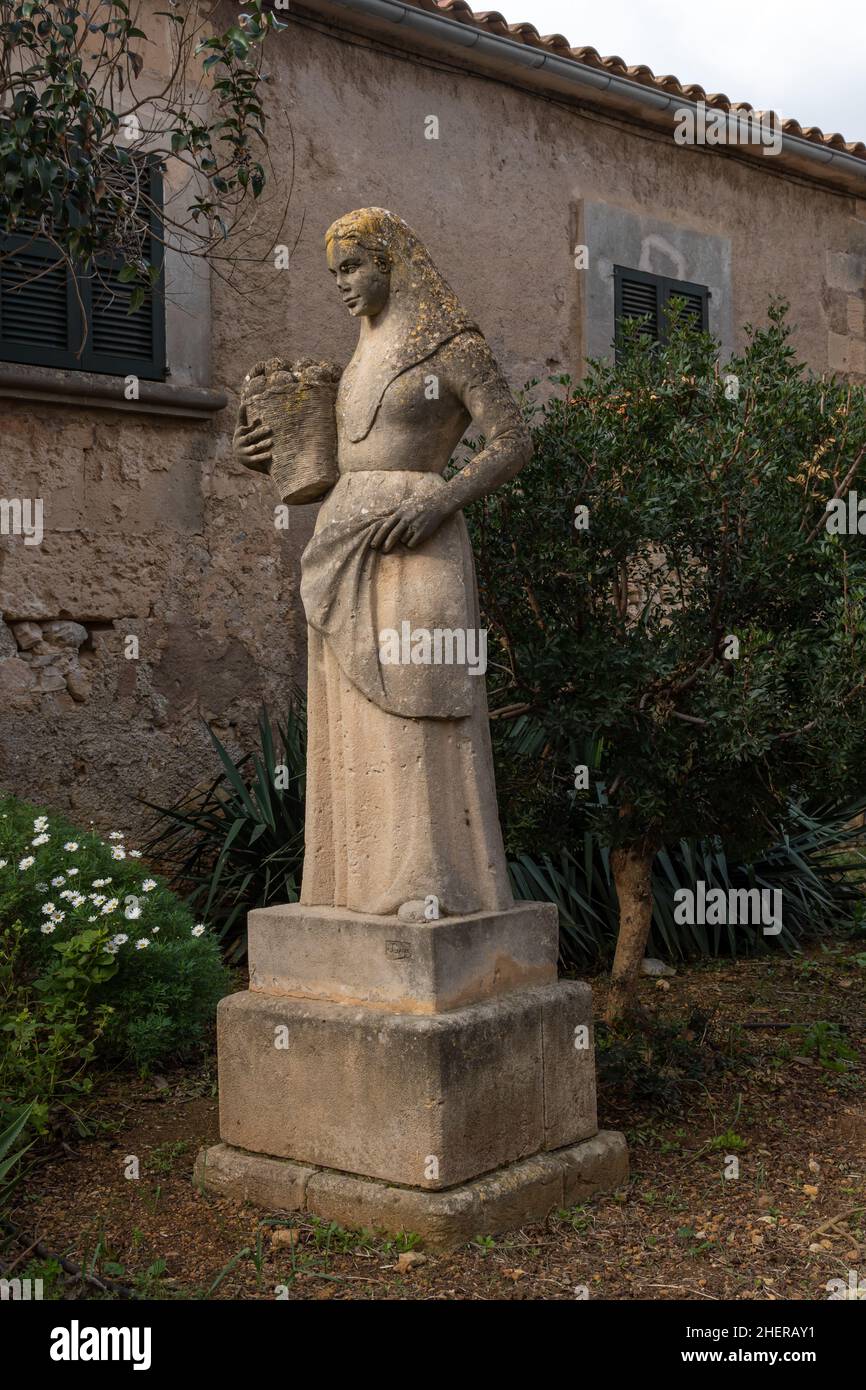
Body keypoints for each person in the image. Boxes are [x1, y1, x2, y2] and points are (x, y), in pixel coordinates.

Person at [234, 208, 531, 918]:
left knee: (422, 699)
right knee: (356, 714)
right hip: (345, 539)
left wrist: (442, 501)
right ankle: (355, 881)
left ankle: (432, 880)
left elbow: (514, 440)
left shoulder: (449, 342)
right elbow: (333, 464)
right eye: (335, 272)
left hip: (420, 538)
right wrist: (264, 458)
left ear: (391, 262)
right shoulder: (358, 357)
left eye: (353, 267)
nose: (342, 284)